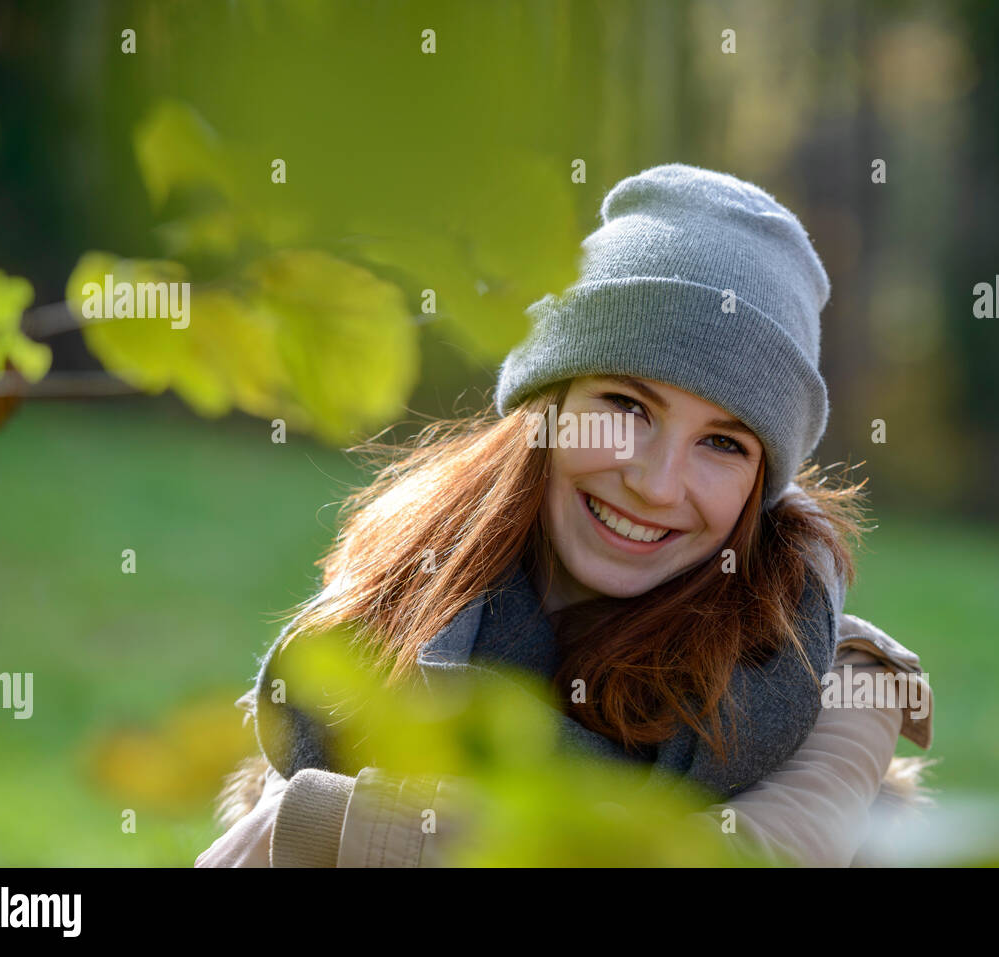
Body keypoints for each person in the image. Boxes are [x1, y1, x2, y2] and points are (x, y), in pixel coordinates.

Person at [196, 162, 935, 867]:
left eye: (722, 443)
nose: (655, 482)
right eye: (626, 406)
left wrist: (329, 824)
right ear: (548, 405)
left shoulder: (825, 678)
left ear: (760, 486)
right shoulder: (393, 605)